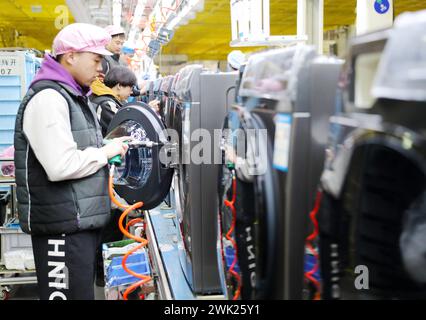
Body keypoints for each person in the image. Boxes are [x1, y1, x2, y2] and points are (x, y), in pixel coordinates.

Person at [14, 23, 130, 300]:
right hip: (61, 228)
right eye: (96, 59)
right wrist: (104, 152)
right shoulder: (49, 98)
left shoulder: (73, 97)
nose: (102, 68)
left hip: (76, 224)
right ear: (71, 56)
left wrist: (102, 149)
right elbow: (60, 166)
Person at [91, 66, 138, 136]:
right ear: (119, 86)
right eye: (131, 88)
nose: (131, 92)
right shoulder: (107, 104)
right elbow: (125, 130)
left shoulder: (111, 100)